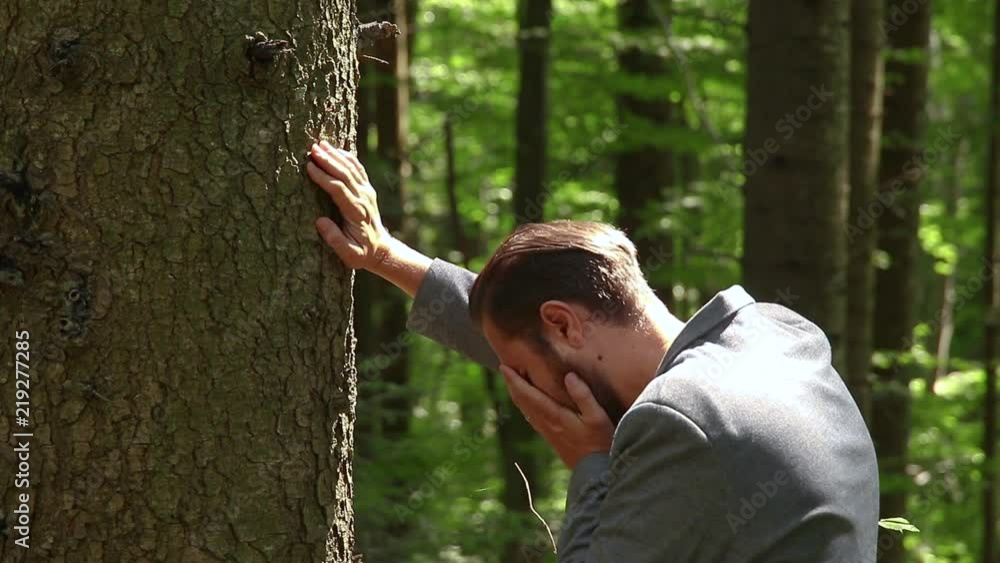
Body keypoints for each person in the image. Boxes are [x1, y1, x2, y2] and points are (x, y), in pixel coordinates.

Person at [305, 140, 880, 562]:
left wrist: (590, 466)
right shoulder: (776, 336)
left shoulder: (675, 421)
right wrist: (386, 257)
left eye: (527, 373)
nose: (526, 391)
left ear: (563, 323)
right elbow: (526, 332)